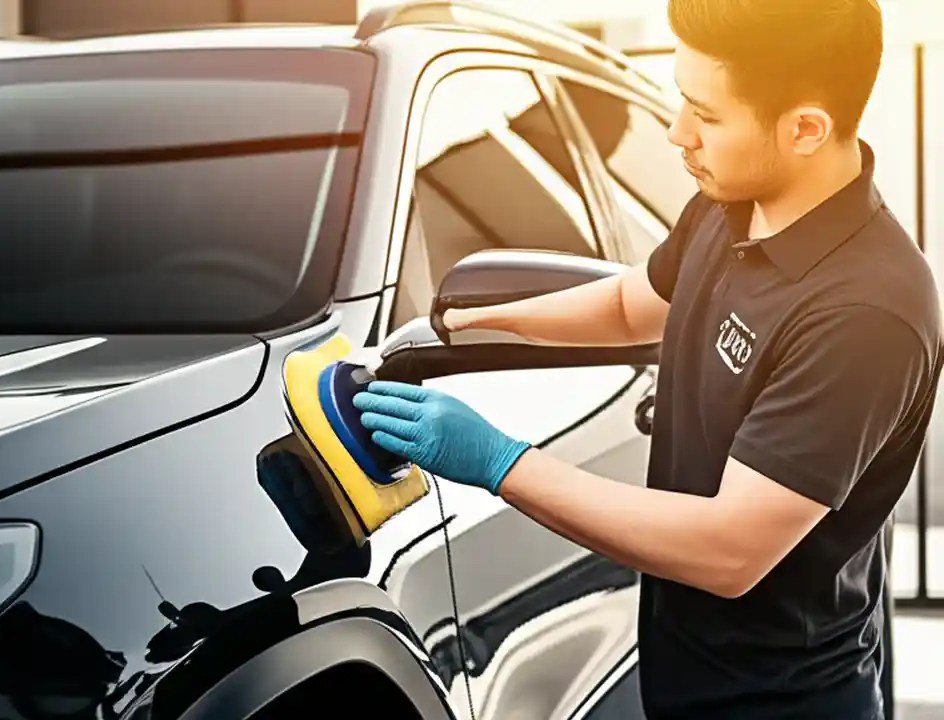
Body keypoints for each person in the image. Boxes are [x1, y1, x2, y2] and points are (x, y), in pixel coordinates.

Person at [353, 0, 942, 718]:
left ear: (807, 128)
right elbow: (638, 304)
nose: (676, 132)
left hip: (780, 703)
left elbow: (729, 551)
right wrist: (491, 316)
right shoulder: (733, 202)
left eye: (706, 114)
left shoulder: (866, 312)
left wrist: (499, 462)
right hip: (685, 676)